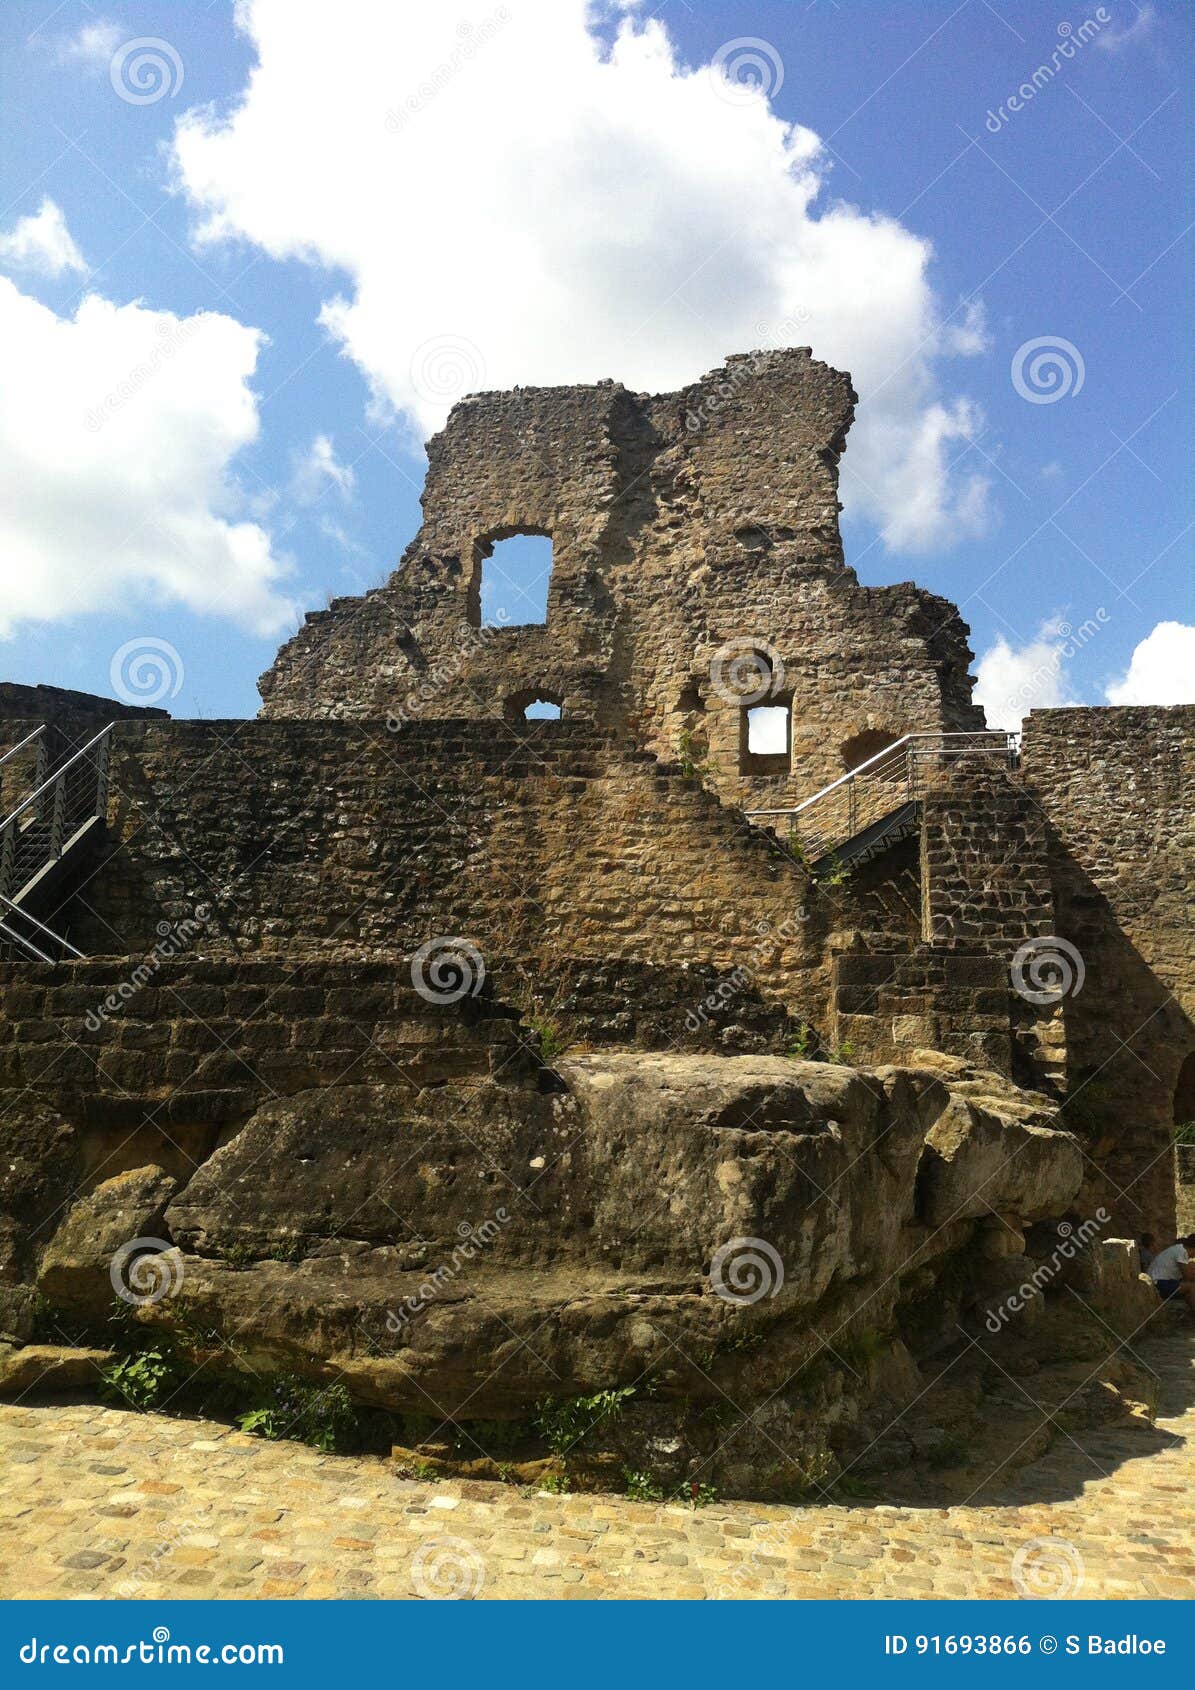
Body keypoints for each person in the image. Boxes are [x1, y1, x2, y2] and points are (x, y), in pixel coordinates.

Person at [1148, 1234, 1195, 1312]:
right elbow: (1188, 1276)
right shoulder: (1181, 1252)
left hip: (1160, 1281)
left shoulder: (1179, 1249)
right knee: (1192, 1287)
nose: (1193, 1257)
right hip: (1158, 1283)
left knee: (1188, 1290)